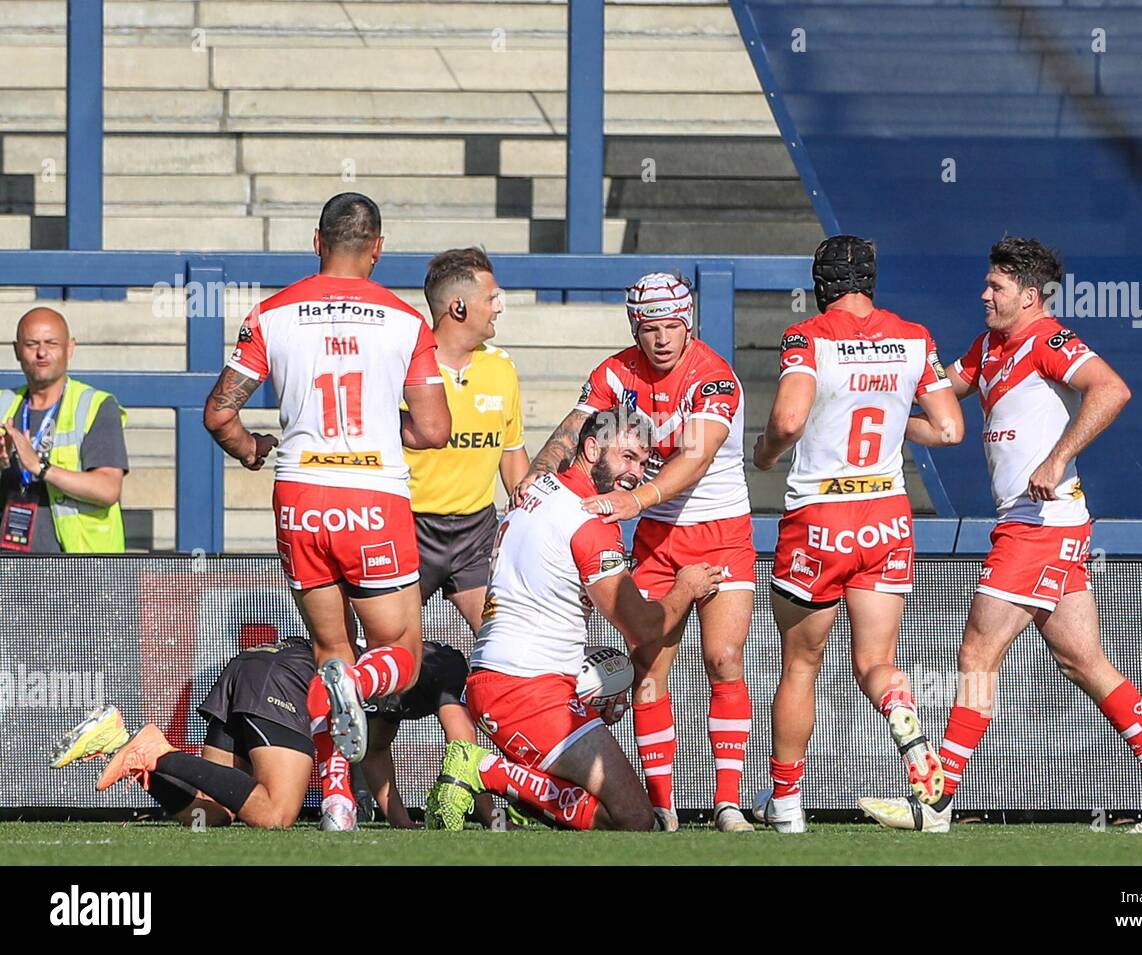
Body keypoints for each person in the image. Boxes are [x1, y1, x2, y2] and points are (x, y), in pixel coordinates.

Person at [859, 236, 1142, 833]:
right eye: (986, 283)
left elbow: (1113, 389)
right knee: (1083, 662)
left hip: (1038, 524)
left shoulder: (1049, 339)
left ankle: (936, 800)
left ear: (1029, 293)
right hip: (1039, 523)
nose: (984, 294)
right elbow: (941, 402)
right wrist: (874, 406)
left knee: (976, 653)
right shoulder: (990, 345)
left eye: (996, 287)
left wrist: (1056, 457)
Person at [202, 192, 451, 830]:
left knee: (328, 648)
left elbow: (219, 414)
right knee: (399, 653)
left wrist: (255, 448)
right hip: (371, 494)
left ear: (317, 241)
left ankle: (338, 798)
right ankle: (359, 694)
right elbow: (432, 430)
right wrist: (375, 422)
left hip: (301, 495)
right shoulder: (405, 321)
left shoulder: (271, 313)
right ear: (378, 247)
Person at [512, 273, 755, 832]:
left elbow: (694, 457)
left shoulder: (714, 377)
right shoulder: (615, 371)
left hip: (719, 530)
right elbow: (575, 429)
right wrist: (537, 476)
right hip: (656, 536)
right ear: (634, 328)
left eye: (673, 326)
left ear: (689, 323)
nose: (663, 339)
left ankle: (728, 803)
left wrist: (634, 500)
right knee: (648, 666)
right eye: (650, 328)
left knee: (724, 659)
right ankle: (663, 805)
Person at [748, 235, 963, 833]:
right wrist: (895, 425)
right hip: (888, 517)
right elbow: (949, 429)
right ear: (871, 280)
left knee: (801, 665)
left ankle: (787, 806)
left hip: (821, 517)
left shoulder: (807, 336)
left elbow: (788, 421)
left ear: (821, 285)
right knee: (878, 665)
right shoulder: (916, 337)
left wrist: (764, 454)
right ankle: (926, 773)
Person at [431, 410, 723, 832]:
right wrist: (686, 587)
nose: (635, 473)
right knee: (634, 819)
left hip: (499, 677)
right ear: (590, 449)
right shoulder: (590, 521)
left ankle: (525, 795)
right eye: (626, 457)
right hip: (528, 690)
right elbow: (642, 628)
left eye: (643, 463)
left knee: (603, 798)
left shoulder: (532, 492)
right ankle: (487, 771)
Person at [52, 640, 489, 830]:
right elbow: (463, 750)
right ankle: (156, 752)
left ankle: (122, 743)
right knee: (276, 812)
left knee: (210, 815)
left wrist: (402, 821)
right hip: (283, 679)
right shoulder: (453, 671)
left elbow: (373, 753)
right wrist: (490, 816)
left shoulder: (403, 673)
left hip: (250, 666)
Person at [406, 248, 528, 632]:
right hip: (410, 529)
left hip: (476, 531)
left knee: (504, 639)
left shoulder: (501, 366)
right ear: (458, 307)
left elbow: (512, 453)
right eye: (491, 298)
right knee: (394, 649)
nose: (499, 307)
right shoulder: (402, 363)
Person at [0, 307, 128, 552]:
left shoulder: (95, 406)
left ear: (70, 348)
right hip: (9, 570)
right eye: (31, 344)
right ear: (17, 350)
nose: (41, 352)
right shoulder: (4, 405)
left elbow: (108, 489)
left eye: (52, 343)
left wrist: (40, 467)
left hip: (80, 572)